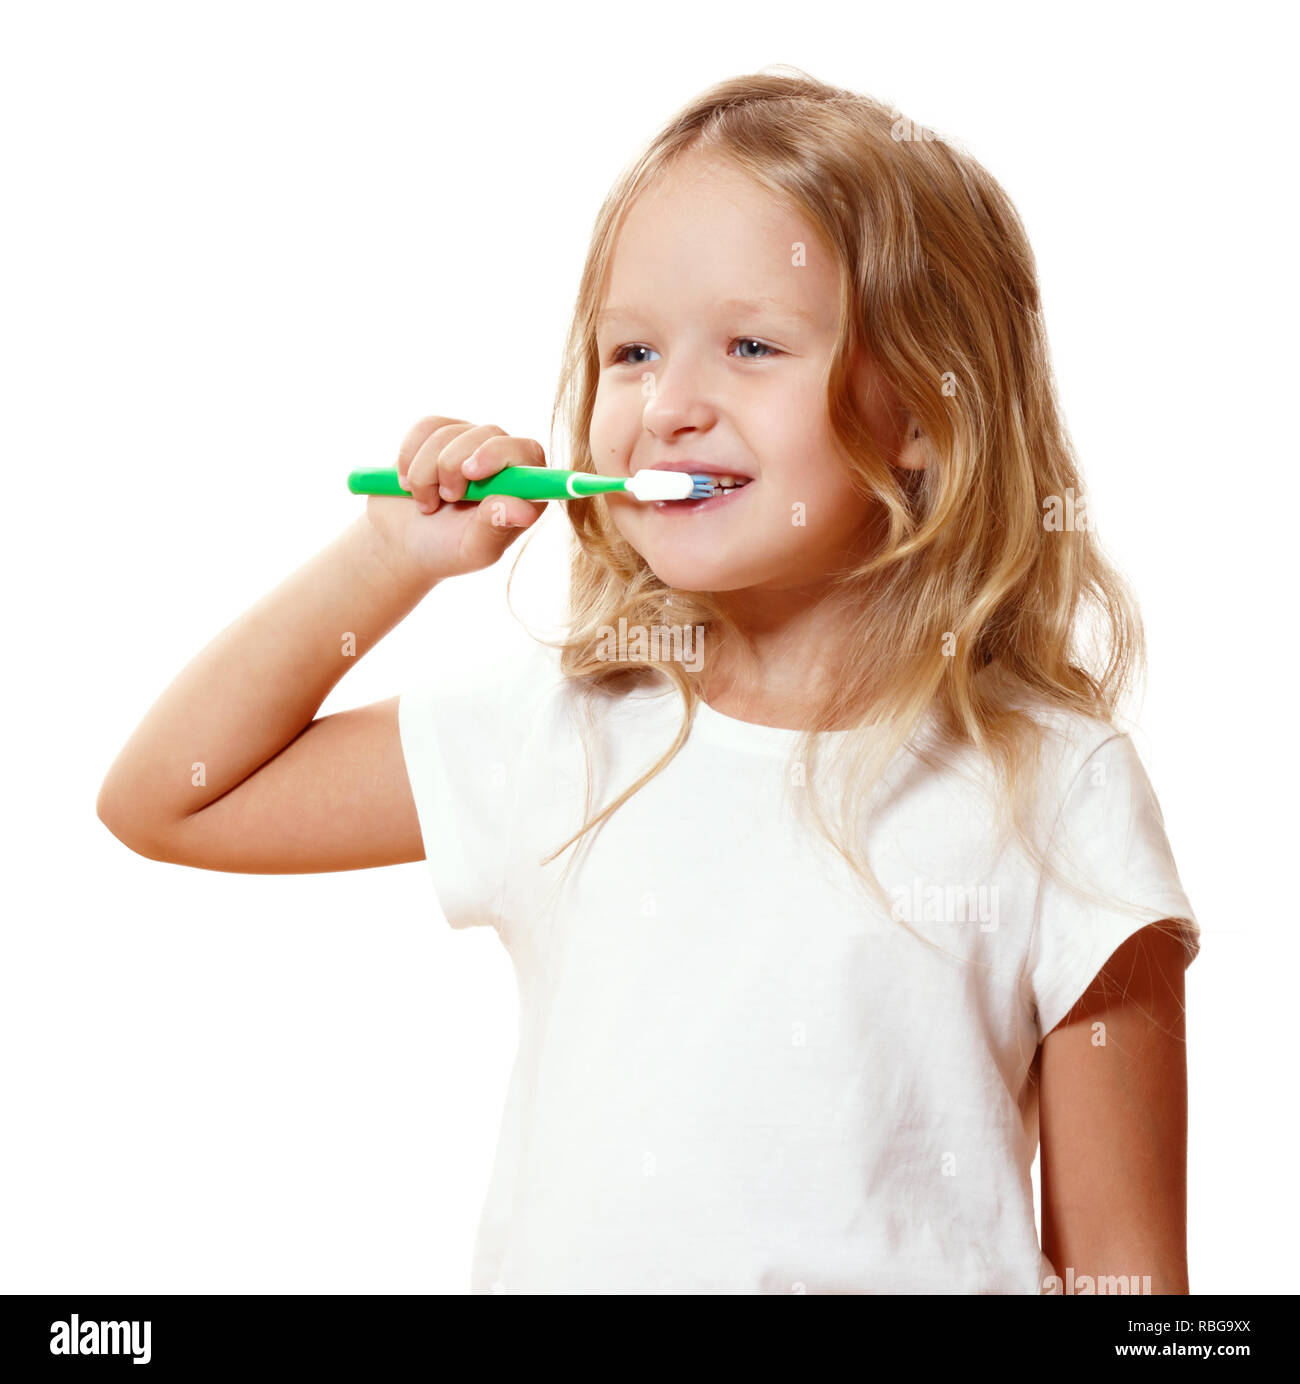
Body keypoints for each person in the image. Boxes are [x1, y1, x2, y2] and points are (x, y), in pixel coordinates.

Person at [97, 68, 1200, 1295]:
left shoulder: (1055, 787)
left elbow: (1128, 1277)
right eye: (631, 352)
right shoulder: (569, 731)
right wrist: (386, 561)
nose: (669, 405)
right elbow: (170, 798)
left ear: (923, 416)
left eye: (749, 344)